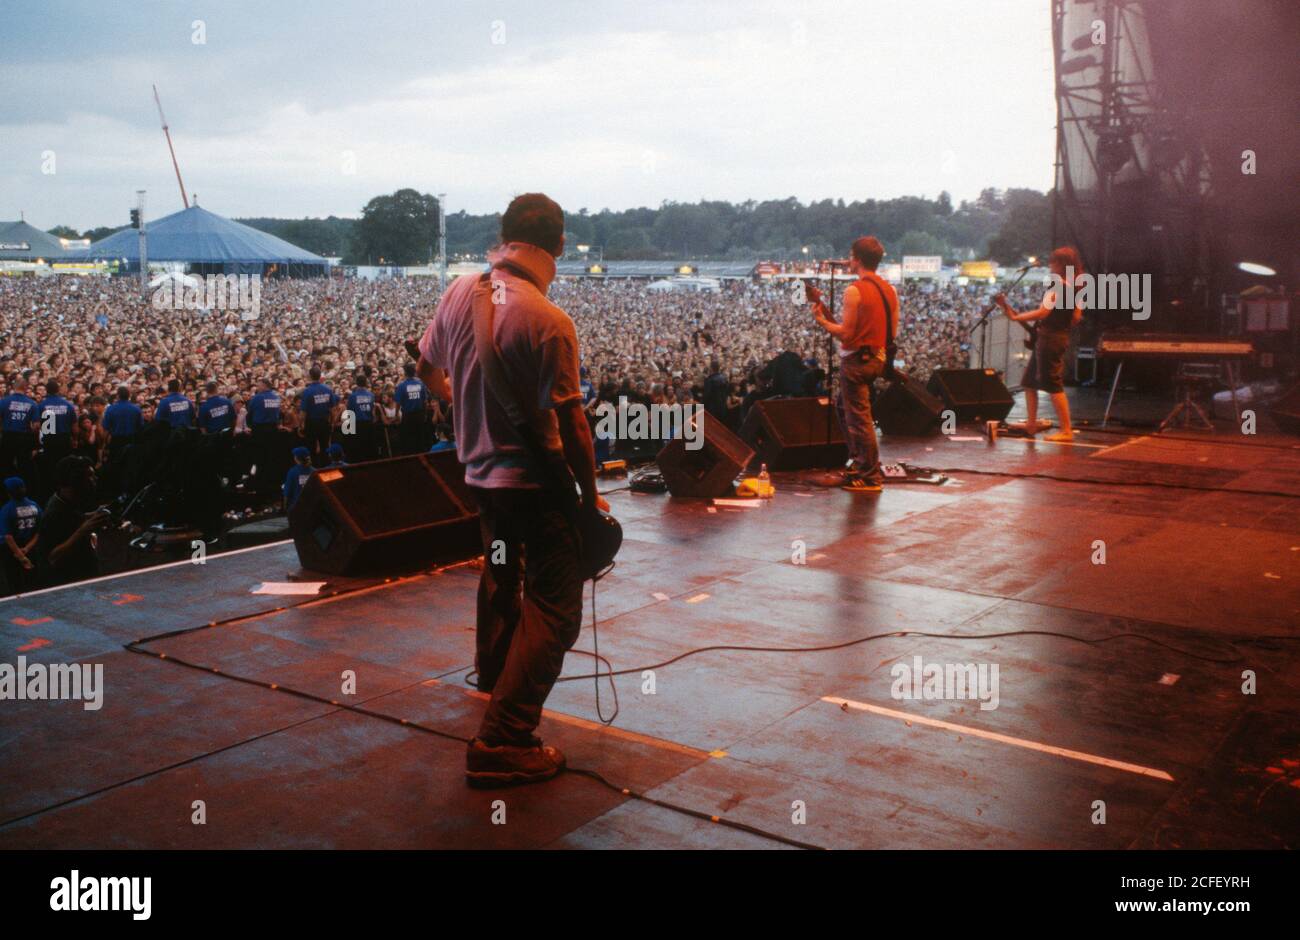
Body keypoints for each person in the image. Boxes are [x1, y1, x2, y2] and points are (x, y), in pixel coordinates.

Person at [416, 192, 607, 788]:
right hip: (535, 490)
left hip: (482, 484)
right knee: (554, 605)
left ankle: (492, 673)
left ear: (504, 236)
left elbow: (427, 372)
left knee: (501, 570)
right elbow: (573, 425)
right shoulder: (547, 319)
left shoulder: (458, 292)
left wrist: (464, 414)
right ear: (557, 245)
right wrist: (588, 499)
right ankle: (505, 737)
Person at [810, 236, 898, 492]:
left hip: (856, 361)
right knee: (843, 406)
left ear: (857, 259)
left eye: (851, 256)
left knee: (860, 419)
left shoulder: (854, 290)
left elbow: (847, 334)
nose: (848, 260)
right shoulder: (889, 290)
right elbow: (893, 329)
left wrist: (823, 322)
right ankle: (859, 460)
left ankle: (869, 475)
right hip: (879, 358)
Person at [996, 246, 1084, 443]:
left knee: (1052, 384)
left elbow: (1044, 312)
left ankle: (1066, 430)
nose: (1050, 266)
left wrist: (1017, 316)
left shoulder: (1057, 285)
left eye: (1053, 262)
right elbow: (1077, 317)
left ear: (1060, 264)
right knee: (1029, 383)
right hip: (1058, 335)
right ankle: (1031, 424)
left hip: (1050, 338)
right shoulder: (1076, 286)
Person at [30, 456, 110, 588]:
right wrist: (83, 529)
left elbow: (69, 519)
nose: (95, 479)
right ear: (75, 480)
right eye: (90, 476)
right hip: (68, 584)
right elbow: (52, 557)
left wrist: (91, 515)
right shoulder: (54, 513)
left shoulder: (66, 501)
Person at [0, 476, 41, 595]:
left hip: (11, 550)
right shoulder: (35, 505)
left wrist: (20, 556)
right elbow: (39, 531)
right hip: (29, 547)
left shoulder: (6, 509)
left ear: (8, 492)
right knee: (32, 583)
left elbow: (7, 536)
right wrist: (27, 549)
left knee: (14, 584)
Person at [0, 375, 39, 488]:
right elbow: (36, 426)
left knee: (5, 464)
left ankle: (5, 490)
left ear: (13, 387)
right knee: (24, 466)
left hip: (8, 436)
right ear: (26, 388)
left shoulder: (4, 402)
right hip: (24, 438)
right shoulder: (32, 404)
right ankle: (23, 489)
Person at [300, 366, 338, 466]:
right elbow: (333, 410)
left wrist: (301, 425)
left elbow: (303, 412)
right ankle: (327, 468)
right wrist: (332, 423)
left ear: (310, 376)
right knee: (325, 446)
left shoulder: (307, 391)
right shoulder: (328, 389)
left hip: (312, 423)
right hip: (325, 422)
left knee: (311, 448)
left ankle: (315, 470)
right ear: (320, 375)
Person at [394, 361, 430, 455]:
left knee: (409, 437)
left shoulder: (401, 386)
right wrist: (425, 413)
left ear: (405, 373)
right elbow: (425, 401)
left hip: (408, 416)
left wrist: (396, 414)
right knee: (420, 436)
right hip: (420, 414)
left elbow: (398, 403)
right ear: (414, 372)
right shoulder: (421, 384)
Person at [342, 374, 378, 462]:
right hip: (369, 424)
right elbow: (373, 411)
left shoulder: (352, 396)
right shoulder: (371, 395)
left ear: (357, 383)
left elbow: (349, 412)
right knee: (368, 447)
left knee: (358, 448)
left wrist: (347, 429)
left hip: (357, 425)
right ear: (366, 383)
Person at [282, 446, 314, 511]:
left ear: (296, 458)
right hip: (312, 506)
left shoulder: (292, 472)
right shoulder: (314, 471)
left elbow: (287, 493)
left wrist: (285, 507)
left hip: (297, 508)